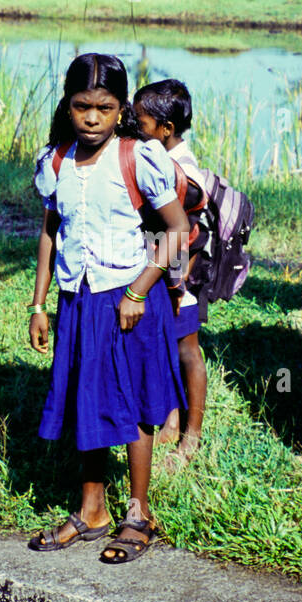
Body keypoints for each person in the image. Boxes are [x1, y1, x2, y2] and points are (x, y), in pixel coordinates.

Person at [27, 54, 190, 564]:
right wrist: (38, 303)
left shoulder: (138, 157)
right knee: (87, 397)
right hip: (78, 298)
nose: (92, 117)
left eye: (104, 107)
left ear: (120, 109)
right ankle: (92, 509)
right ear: (68, 105)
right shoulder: (56, 161)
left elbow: (178, 230)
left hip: (130, 301)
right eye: (82, 106)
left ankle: (138, 513)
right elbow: (51, 232)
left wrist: (140, 290)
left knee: (138, 402)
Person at [133, 78, 208, 463]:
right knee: (166, 349)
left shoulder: (182, 169)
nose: (132, 125)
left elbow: (189, 229)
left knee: (187, 351)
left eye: (140, 121)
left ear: (167, 130)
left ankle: (191, 434)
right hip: (162, 272)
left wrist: (179, 285)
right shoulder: (155, 155)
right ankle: (172, 422)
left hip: (182, 277)